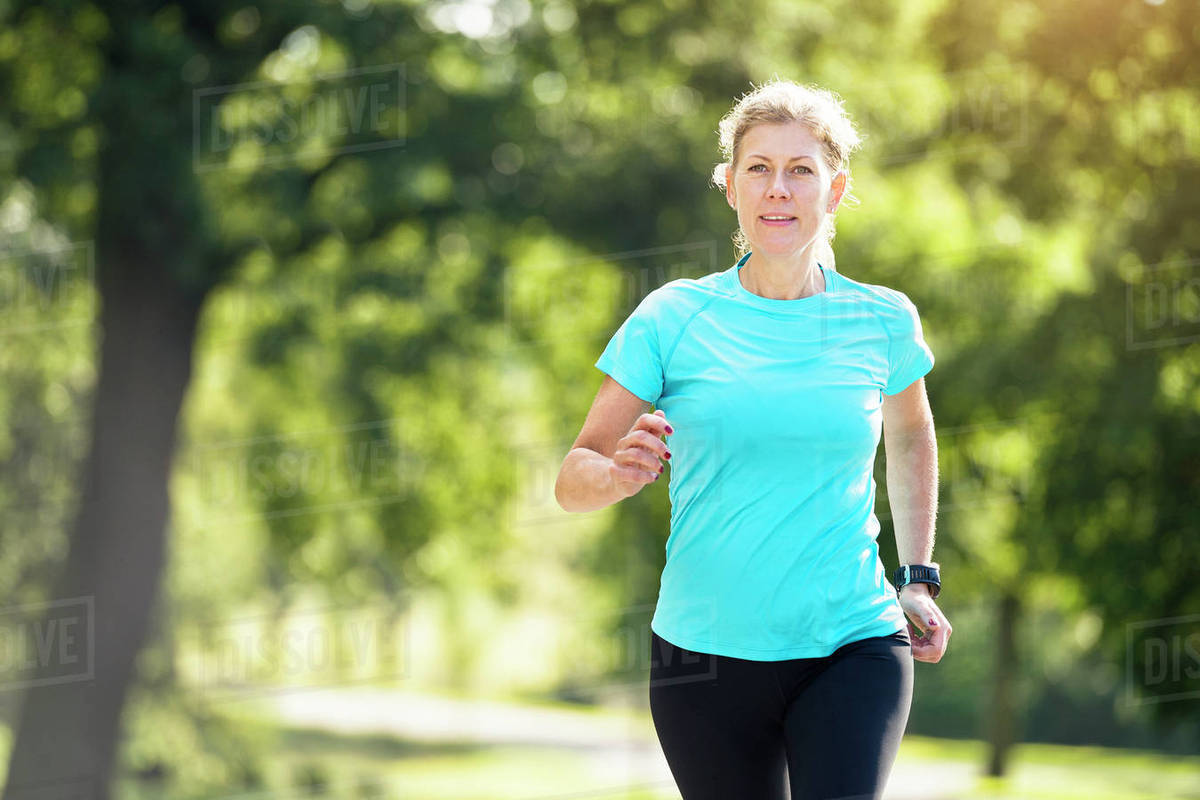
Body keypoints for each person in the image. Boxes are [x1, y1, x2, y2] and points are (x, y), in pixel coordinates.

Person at [554, 78, 952, 800]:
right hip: (703, 656)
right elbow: (573, 475)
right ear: (730, 187)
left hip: (852, 640)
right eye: (759, 169)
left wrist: (917, 576)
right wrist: (615, 478)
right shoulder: (673, 317)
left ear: (834, 192)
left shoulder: (884, 320)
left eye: (801, 170)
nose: (779, 189)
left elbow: (913, 432)